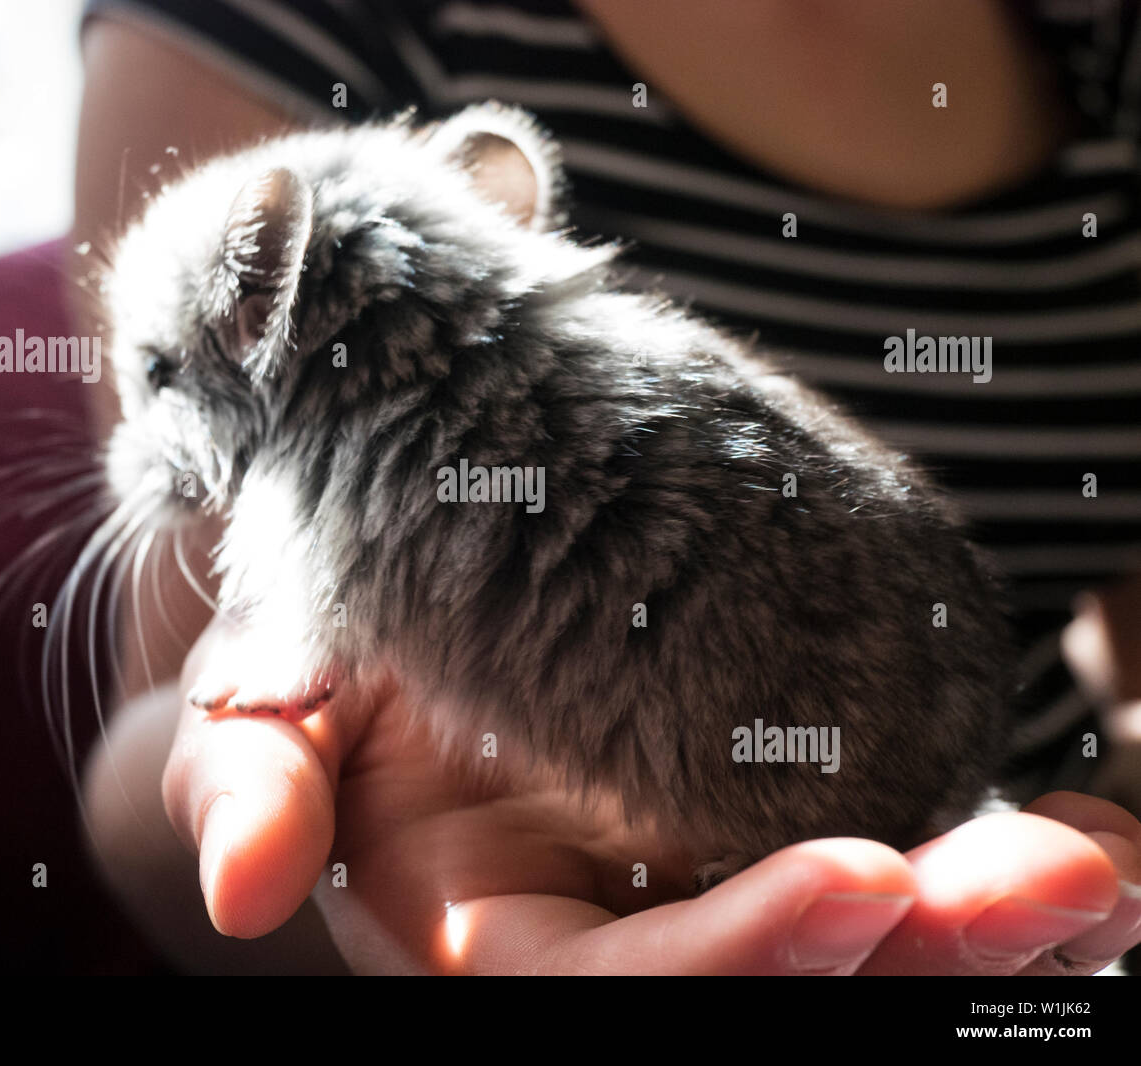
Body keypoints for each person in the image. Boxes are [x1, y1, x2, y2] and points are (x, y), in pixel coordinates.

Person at [74, 0, 1141, 974]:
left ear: (267, 312)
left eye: (161, 376)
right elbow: (146, 750)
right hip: (923, 777)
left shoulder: (1097, 31)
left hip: (1027, 878)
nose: (136, 429)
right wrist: (308, 804)